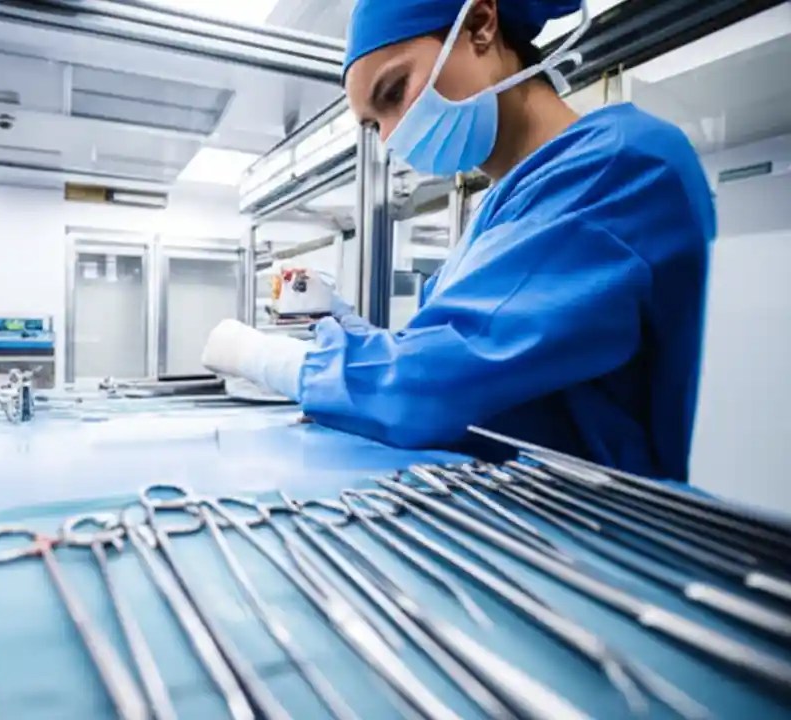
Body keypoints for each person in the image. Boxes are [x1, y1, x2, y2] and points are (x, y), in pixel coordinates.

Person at [202, 0, 716, 480]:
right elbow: (443, 349)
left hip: (597, 539)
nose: (388, 139)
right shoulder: (502, 204)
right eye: (371, 124)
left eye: (394, 92)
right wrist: (336, 317)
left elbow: (428, 386)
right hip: (507, 516)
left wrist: (264, 358)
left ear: (480, 26)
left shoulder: (621, 167)